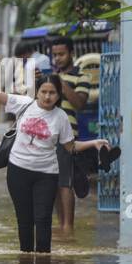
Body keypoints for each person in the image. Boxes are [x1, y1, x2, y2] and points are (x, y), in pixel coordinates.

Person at [0, 64, 107, 254]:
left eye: (52, 93)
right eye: (43, 91)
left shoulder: (61, 118)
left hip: (47, 174)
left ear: (58, 95)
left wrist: (94, 143)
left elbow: (70, 146)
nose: (47, 96)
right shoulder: (23, 104)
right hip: (18, 171)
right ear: (37, 92)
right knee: (25, 220)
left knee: (43, 219)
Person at [50, 36, 95, 231]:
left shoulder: (82, 75)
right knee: (53, 185)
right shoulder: (50, 76)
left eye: (61, 54)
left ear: (71, 53)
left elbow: (80, 103)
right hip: (48, 136)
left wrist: (60, 83)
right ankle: (61, 228)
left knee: (65, 183)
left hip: (68, 134)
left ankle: (68, 229)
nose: (57, 59)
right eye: (54, 55)